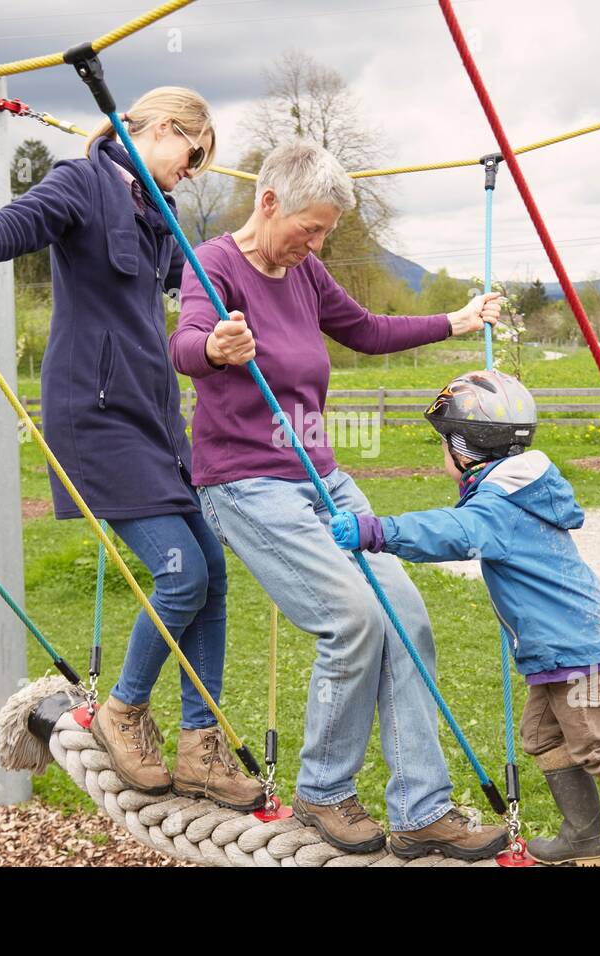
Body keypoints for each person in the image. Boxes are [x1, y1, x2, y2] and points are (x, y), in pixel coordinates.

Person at [0, 87, 261, 810]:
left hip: (155, 422)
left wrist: (254, 288)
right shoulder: (81, 180)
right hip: (97, 416)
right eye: (194, 152)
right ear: (166, 128)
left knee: (211, 569)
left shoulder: (162, 213)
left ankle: (201, 744)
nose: (194, 168)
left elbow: (202, 287)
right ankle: (122, 710)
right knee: (180, 573)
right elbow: (17, 226)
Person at [172, 139, 510, 860]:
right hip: (245, 481)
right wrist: (217, 350)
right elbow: (186, 342)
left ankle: (422, 810)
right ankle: (323, 793)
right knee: (352, 618)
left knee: (406, 616)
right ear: (269, 202)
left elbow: (364, 329)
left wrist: (455, 321)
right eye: (311, 228)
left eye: (325, 231)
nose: (317, 243)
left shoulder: (305, 273)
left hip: (321, 476)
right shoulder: (215, 264)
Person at [329, 368, 600, 866]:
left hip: (576, 647)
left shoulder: (499, 507)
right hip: (557, 648)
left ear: (464, 447)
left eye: (444, 444)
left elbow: (451, 531)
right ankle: (582, 839)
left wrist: (375, 531)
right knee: (543, 737)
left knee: (599, 747)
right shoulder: (515, 489)